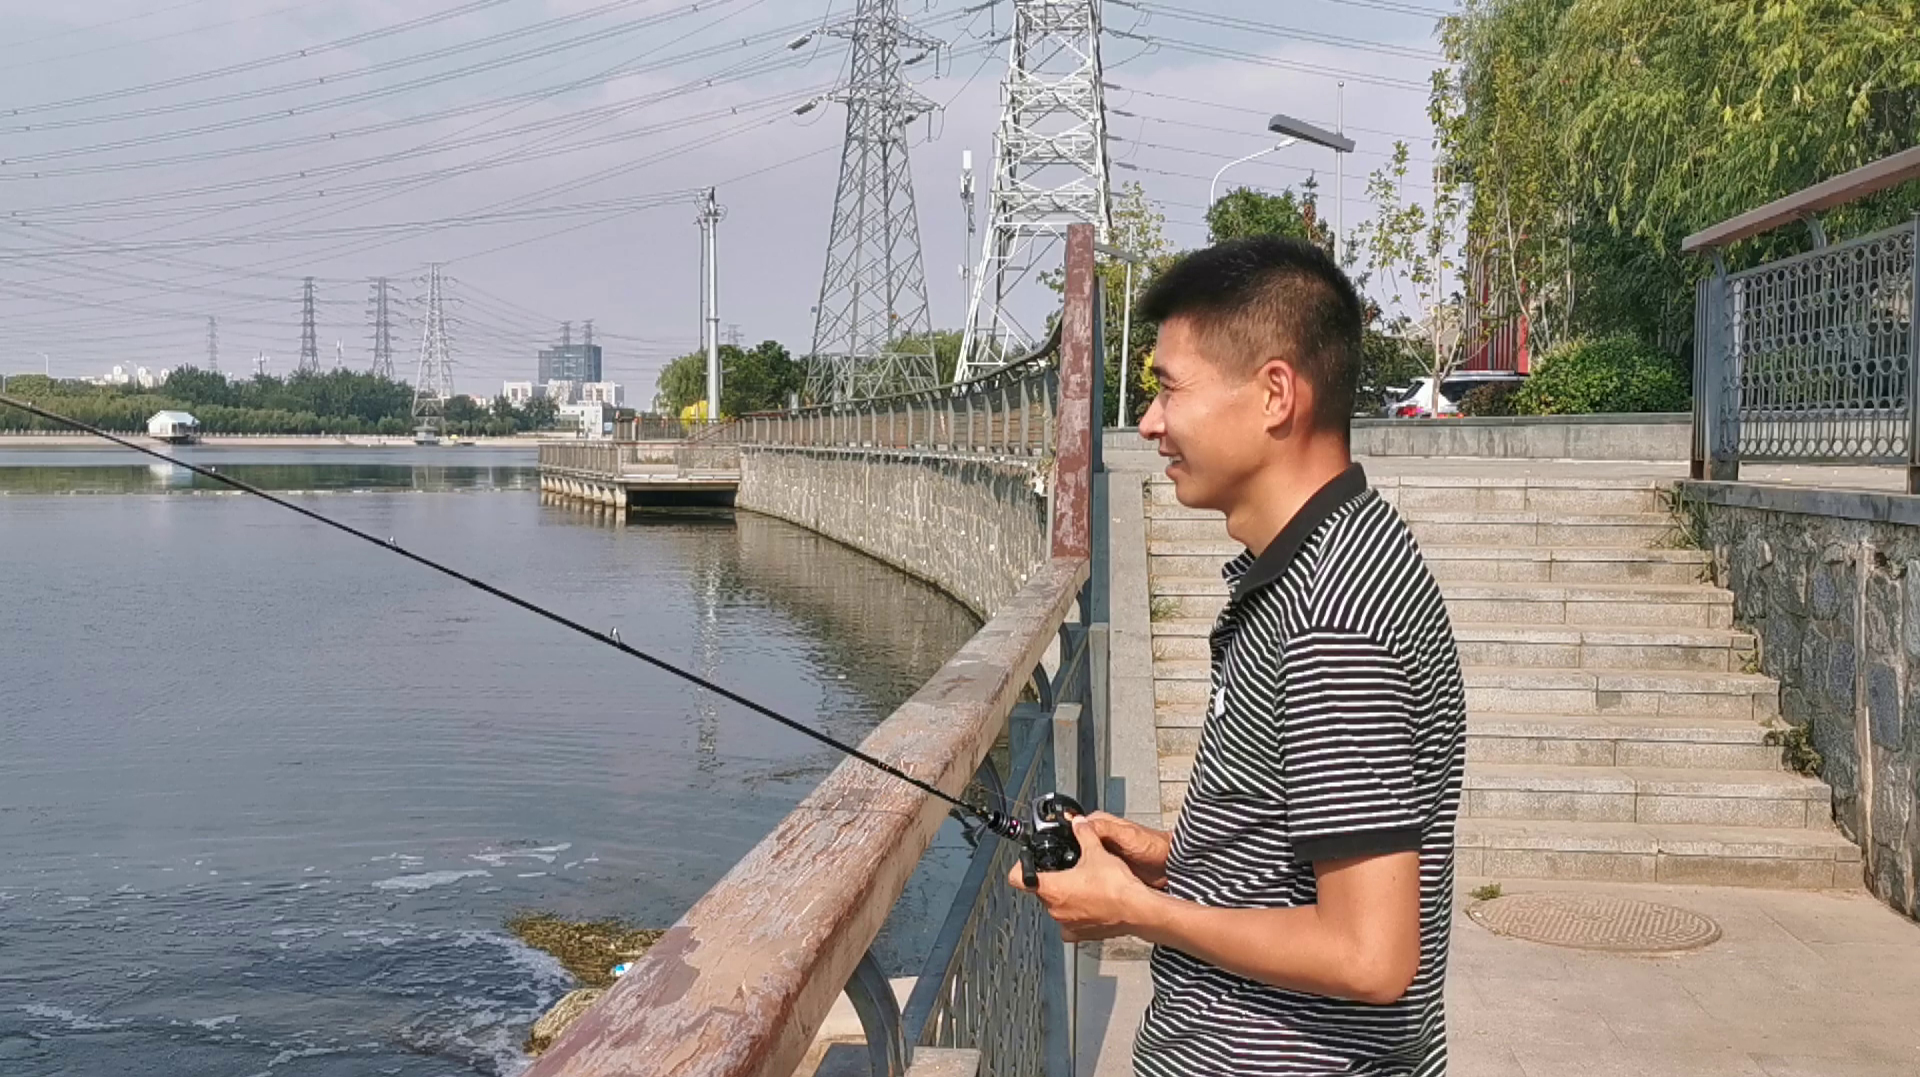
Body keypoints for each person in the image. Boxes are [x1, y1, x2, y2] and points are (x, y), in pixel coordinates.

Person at [1011, 235, 1467, 1076]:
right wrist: (1170, 858)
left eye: (1168, 389)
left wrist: (1140, 912)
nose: (1150, 422)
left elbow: (1369, 952)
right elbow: (1309, 839)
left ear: (1274, 394)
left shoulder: (1335, 615)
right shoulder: (1327, 560)